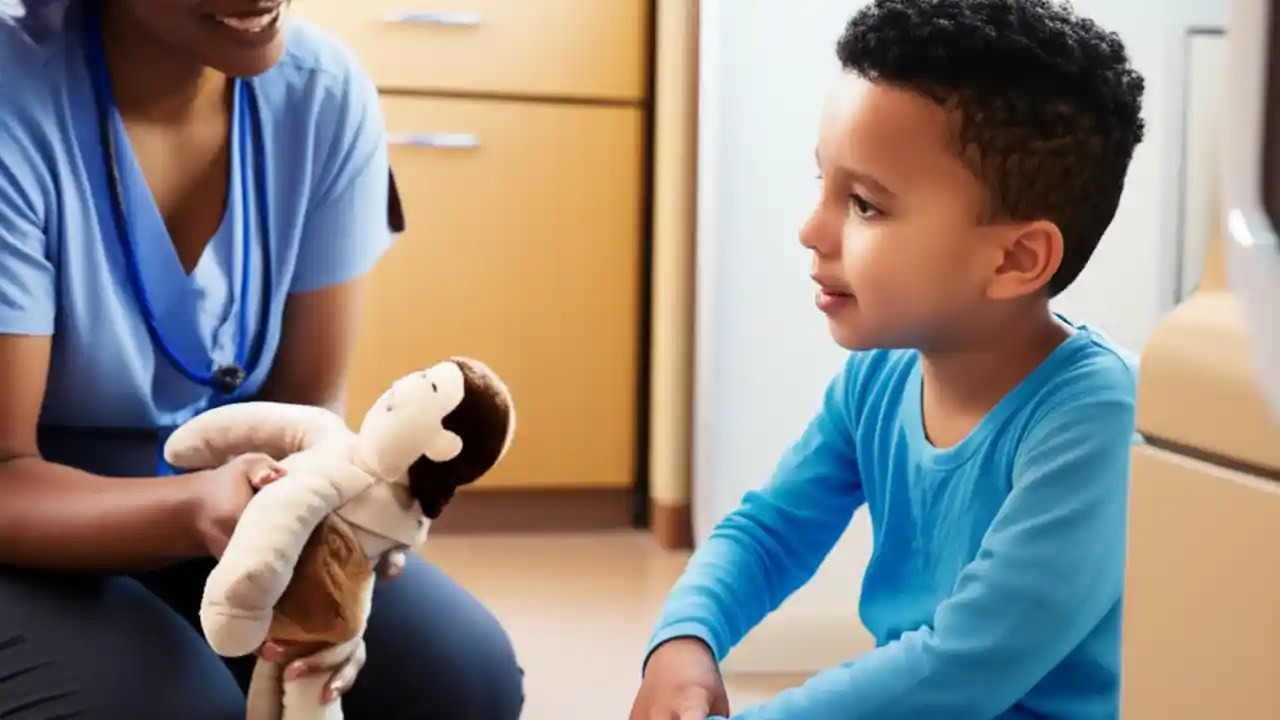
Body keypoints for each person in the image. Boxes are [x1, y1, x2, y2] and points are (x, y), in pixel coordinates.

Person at [0, 1, 523, 718]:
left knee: (462, 676)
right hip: (23, 528)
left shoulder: (322, 94)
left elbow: (309, 408)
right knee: (175, 705)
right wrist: (193, 509)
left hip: (216, 511)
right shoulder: (13, 95)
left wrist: (342, 540)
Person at [630, 1, 1146, 718]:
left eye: (865, 205)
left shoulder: (1095, 417)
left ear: (1015, 259)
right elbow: (769, 529)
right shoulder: (878, 379)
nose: (812, 230)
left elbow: (961, 667)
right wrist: (685, 640)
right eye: (823, 185)